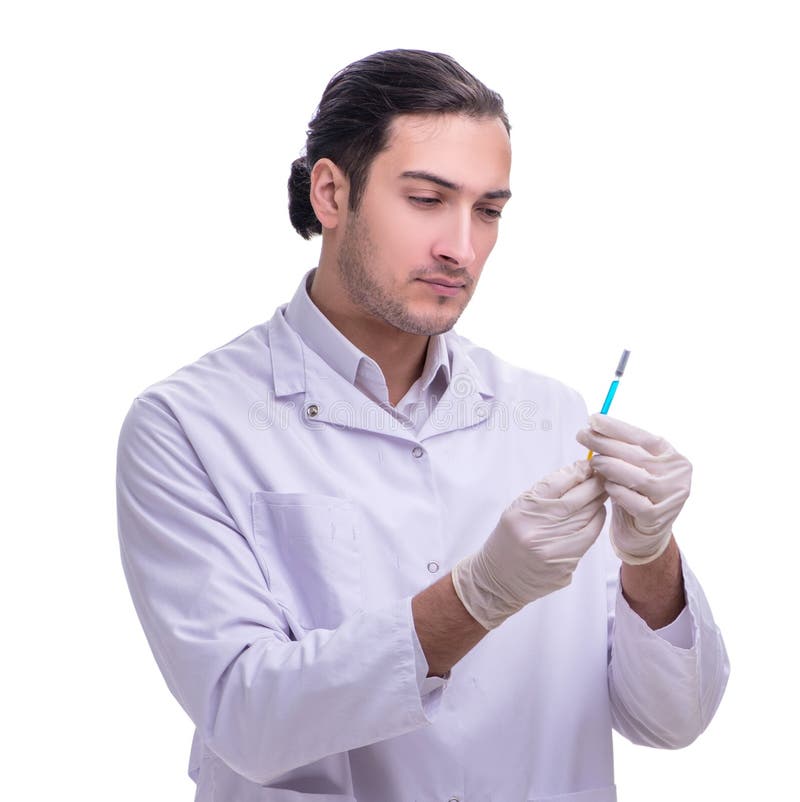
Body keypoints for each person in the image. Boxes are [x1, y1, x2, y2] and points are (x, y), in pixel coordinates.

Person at [116, 49, 729, 802]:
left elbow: (672, 720)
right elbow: (245, 717)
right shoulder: (188, 427)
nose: (461, 248)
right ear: (332, 192)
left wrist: (651, 561)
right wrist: (477, 596)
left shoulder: (554, 418)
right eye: (427, 199)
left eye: (489, 211)